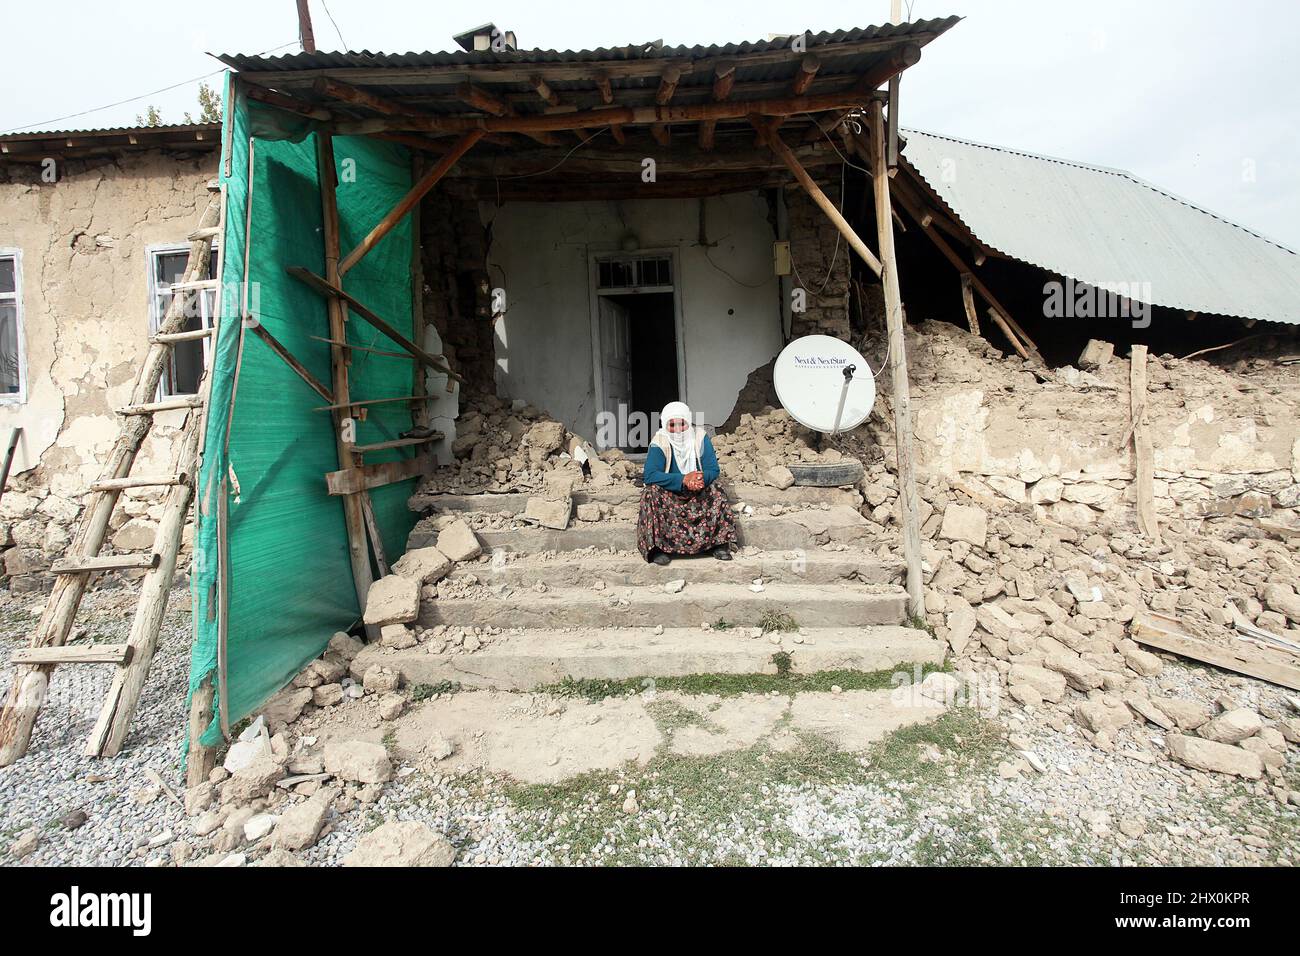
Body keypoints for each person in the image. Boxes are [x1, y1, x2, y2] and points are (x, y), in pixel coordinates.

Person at [637, 401, 737, 565]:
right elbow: (650, 475)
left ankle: (718, 545)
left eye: (682, 424)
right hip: (670, 493)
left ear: (688, 422)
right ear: (665, 424)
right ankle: (658, 549)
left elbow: (713, 469)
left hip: (697, 490)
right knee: (650, 493)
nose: (678, 429)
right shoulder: (660, 441)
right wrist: (683, 479)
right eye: (672, 425)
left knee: (716, 490)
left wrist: (699, 478)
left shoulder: (700, 437)